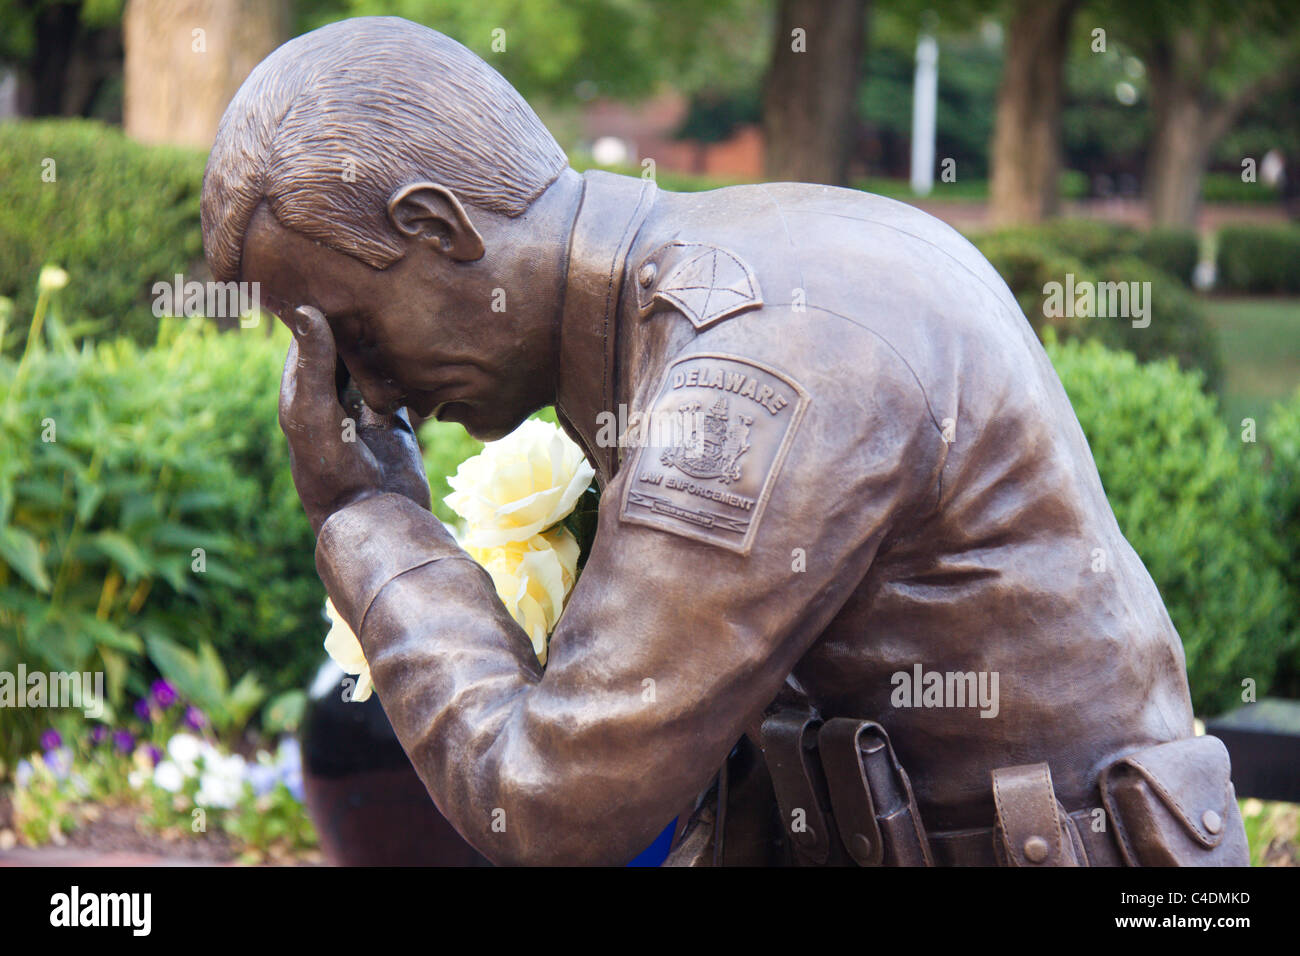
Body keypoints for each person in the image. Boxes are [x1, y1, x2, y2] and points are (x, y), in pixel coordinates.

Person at [201, 16, 1248, 866]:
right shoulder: (717, 274)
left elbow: (550, 798)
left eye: (357, 335)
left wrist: (369, 516)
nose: (371, 393)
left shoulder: (747, 369)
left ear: (436, 225)